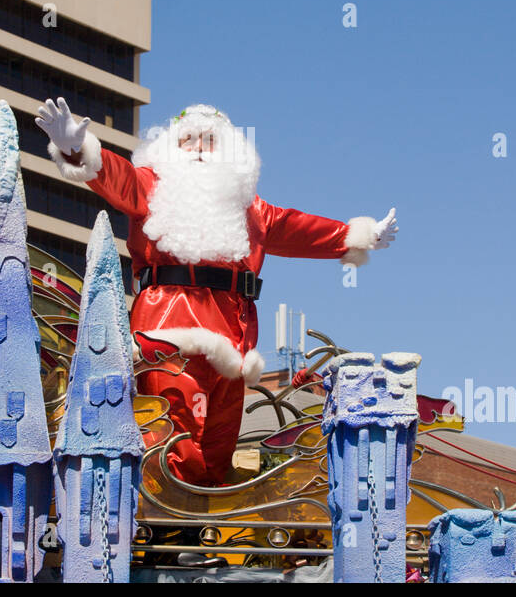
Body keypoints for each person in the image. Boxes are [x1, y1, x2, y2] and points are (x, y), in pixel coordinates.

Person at [36, 97, 397, 485]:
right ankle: (167, 519)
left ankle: (202, 527)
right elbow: (114, 176)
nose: (198, 150)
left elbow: (301, 230)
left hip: (232, 334)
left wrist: (361, 236)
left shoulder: (253, 211)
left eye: (209, 141)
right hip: (167, 325)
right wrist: (76, 149)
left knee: (219, 440)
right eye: (188, 140)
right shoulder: (151, 187)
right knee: (169, 426)